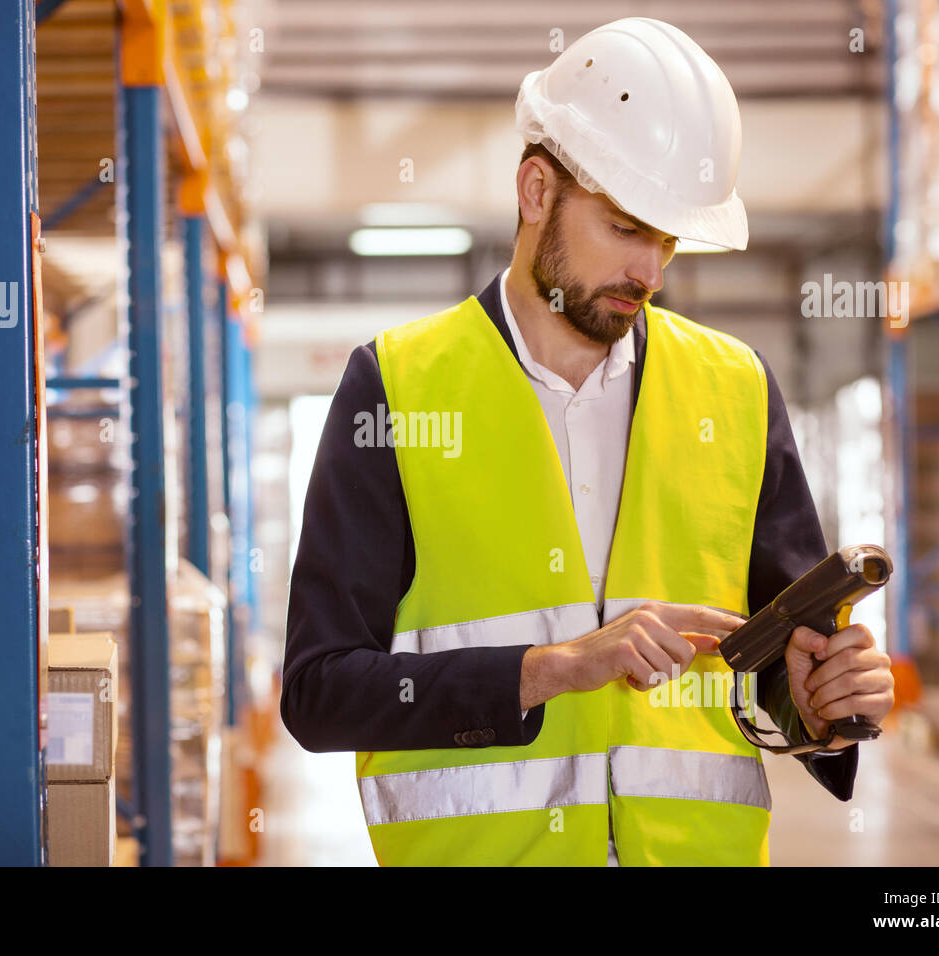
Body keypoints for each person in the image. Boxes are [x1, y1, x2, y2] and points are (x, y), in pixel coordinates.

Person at [282, 17, 895, 866]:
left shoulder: (737, 388)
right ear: (537, 192)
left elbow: (776, 665)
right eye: (624, 226)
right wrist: (550, 669)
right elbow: (319, 693)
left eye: (668, 239)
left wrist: (828, 705)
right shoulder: (396, 388)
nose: (650, 271)